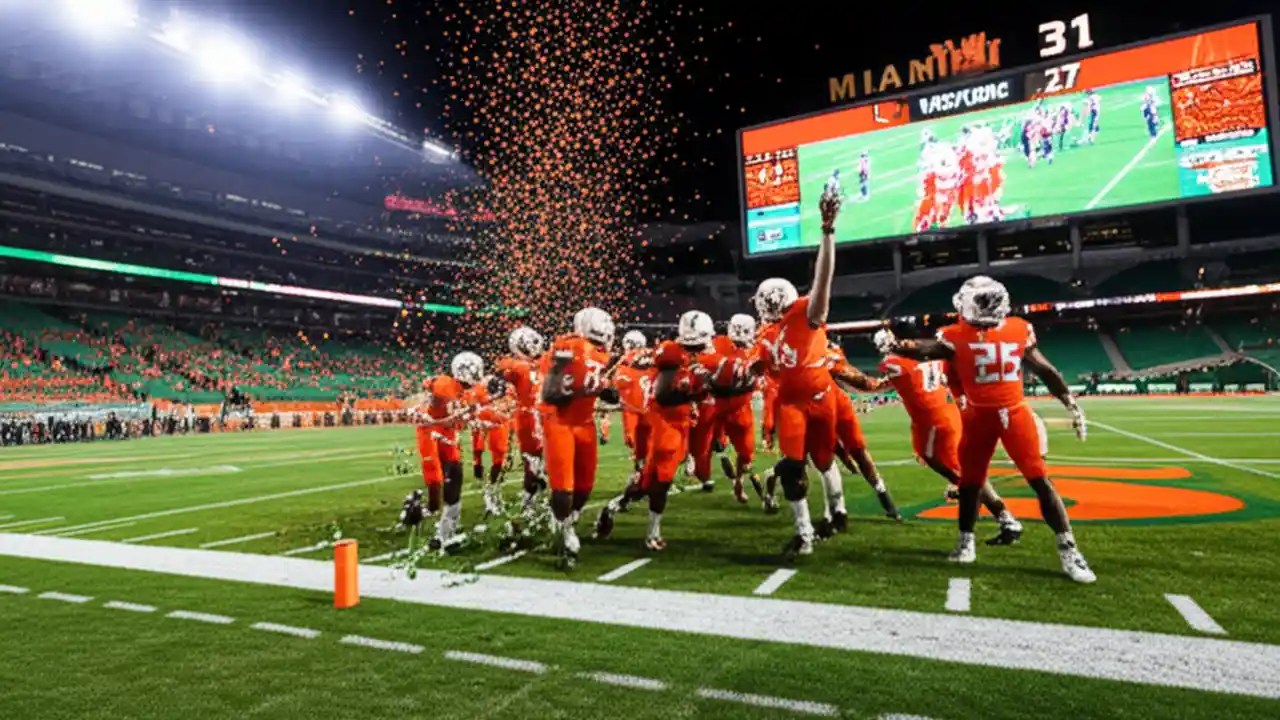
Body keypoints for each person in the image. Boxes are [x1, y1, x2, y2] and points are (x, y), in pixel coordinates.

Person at [884, 276, 1095, 583]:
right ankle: (1065, 549)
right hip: (1007, 414)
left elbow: (926, 350)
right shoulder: (1018, 328)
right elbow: (1046, 369)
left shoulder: (955, 335)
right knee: (1022, 482)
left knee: (987, 483)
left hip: (982, 417)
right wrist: (1069, 401)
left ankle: (972, 543)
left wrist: (896, 345)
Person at [751, 185, 842, 558]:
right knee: (791, 467)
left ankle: (837, 511)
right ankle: (804, 532)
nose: (769, 305)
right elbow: (764, 366)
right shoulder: (764, 333)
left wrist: (827, 231)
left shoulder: (806, 313)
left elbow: (823, 281)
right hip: (790, 403)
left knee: (824, 460)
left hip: (820, 399)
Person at [873, 328, 1022, 545]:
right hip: (948, 414)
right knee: (953, 468)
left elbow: (871, 385)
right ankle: (986, 505)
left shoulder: (894, 364)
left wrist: (837, 371)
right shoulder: (931, 356)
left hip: (933, 421)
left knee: (958, 473)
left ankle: (1006, 518)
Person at [540, 307, 617, 567]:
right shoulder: (568, 346)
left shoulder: (602, 354)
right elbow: (551, 392)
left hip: (584, 423)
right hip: (560, 422)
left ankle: (565, 522)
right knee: (564, 488)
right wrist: (584, 388)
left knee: (584, 487)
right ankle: (564, 531)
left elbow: (594, 383)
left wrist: (604, 390)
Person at [406, 352, 485, 550]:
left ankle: (444, 534)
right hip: (430, 434)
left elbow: (463, 418)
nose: (478, 374)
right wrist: (419, 409)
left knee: (454, 480)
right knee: (435, 483)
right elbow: (425, 402)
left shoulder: (469, 393)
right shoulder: (445, 383)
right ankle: (418, 508)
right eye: (475, 370)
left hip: (449, 436)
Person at [496, 326, 548, 513]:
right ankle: (528, 501)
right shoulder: (515, 366)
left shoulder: (545, 361)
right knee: (532, 462)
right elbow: (504, 369)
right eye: (527, 345)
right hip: (528, 416)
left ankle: (535, 494)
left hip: (545, 415)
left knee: (543, 460)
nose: (533, 348)